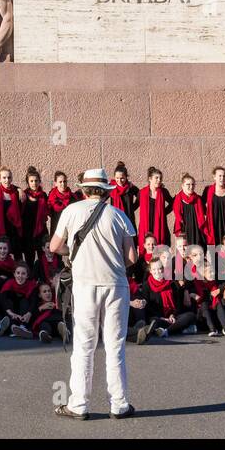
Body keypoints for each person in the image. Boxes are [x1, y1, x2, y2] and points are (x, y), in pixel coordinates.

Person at [51, 168, 138, 422]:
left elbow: (54, 246)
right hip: (116, 285)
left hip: (85, 284)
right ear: (105, 191)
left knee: (84, 347)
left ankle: (79, 405)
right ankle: (119, 404)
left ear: (83, 189)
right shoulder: (119, 215)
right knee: (115, 347)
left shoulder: (71, 211)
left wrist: (74, 255)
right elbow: (132, 257)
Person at [131, 257, 198, 343]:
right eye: (154, 269)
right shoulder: (146, 285)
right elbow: (148, 307)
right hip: (158, 317)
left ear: (163, 269)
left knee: (190, 315)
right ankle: (176, 328)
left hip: (172, 317)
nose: (157, 272)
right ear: (150, 271)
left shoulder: (172, 283)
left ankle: (165, 331)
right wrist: (162, 318)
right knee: (153, 321)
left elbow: (178, 304)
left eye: (160, 269)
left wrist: (173, 315)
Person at [191, 257, 225, 337]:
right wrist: (192, 294)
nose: (213, 274)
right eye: (210, 272)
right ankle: (212, 329)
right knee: (204, 306)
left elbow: (223, 284)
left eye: (213, 272)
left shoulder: (215, 279)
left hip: (214, 301)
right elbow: (196, 294)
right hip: (203, 304)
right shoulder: (197, 282)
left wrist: (221, 289)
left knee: (219, 305)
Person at [0, 262, 39, 338]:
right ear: (14, 274)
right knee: (9, 301)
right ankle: (13, 327)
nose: (20, 276)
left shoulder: (31, 285)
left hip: (25, 312)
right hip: (12, 311)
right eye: (18, 273)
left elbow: (34, 301)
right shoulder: (9, 283)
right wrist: (11, 313)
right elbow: (2, 299)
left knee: (24, 301)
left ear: (27, 275)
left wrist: (29, 313)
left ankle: (23, 327)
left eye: (23, 274)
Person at [136, 166, 171, 252]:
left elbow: (173, 203)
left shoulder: (163, 192)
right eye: (156, 178)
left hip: (160, 225)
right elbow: (134, 206)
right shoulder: (142, 192)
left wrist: (164, 212)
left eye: (160, 178)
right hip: (146, 227)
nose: (159, 180)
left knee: (161, 249)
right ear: (150, 179)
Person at [0, 167, 23, 262]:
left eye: (9, 177)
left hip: (15, 231)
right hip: (1, 230)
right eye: (4, 178)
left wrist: (19, 189)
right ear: (0, 179)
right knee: (1, 257)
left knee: (18, 256)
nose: (7, 180)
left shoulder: (17, 193)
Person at [18, 167, 47, 266]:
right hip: (28, 233)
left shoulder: (44, 195)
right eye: (31, 181)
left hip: (41, 232)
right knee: (29, 260)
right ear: (28, 182)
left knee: (43, 260)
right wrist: (18, 189)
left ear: (39, 181)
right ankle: (30, 280)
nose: (34, 183)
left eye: (36, 181)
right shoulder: (23, 195)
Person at [172, 173, 207, 249]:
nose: (191, 187)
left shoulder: (198, 199)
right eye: (188, 184)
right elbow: (178, 215)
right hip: (184, 230)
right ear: (182, 185)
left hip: (197, 230)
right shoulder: (178, 199)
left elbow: (206, 213)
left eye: (193, 184)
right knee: (183, 254)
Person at [46, 171, 80, 237]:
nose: (63, 184)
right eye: (60, 182)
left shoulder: (73, 197)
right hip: (55, 231)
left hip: (69, 231)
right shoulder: (50, 197)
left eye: (64, 181)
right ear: (55, 183)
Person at [109, 162, 138, 227]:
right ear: (114, 177)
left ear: (126, 177)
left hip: (129, 218)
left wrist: (132, 208)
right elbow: (101, 197)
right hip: (115, 218)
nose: (119, 180)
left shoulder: (131, 187)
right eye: (117, 178)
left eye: (122, 178)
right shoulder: (111, 187)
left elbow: (141, 195)